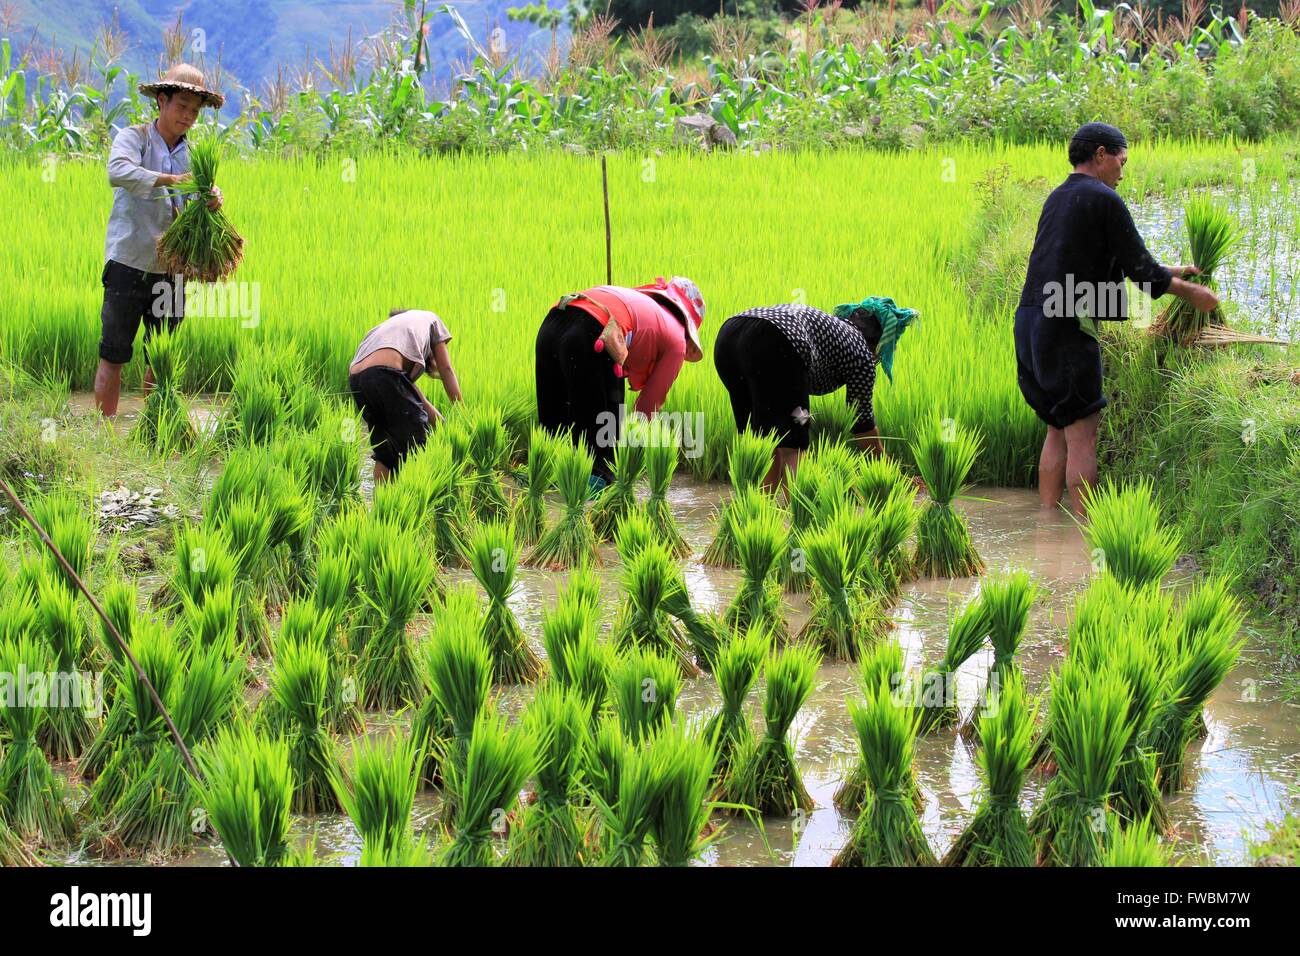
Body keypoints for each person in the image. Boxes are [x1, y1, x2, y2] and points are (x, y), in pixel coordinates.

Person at [1015, 122, 1219, 516]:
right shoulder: (1104, 199)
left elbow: (1121, 261)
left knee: (1057, 428)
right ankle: (1082, 540)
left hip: (1029, 324)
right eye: (1122, 161)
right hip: (1067, 326)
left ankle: (1045, 526)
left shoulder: (1059, 197)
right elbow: (1141, 273)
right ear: (1101, 154)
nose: (1123, 173)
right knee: (1083, 438)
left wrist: (1172, 271)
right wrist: (1193, 293)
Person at [95, 63, 225, 417]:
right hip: (129, 261)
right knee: (114, 352)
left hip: (172, 270)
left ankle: (152, 428)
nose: (188, 117)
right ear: (161, 101)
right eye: (182, 106)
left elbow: (192, 204)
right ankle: (104, 435)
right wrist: (171, 179)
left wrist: (210, 199)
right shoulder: (133, 138)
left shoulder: (193, 155)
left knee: (161, 355)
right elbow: (118, 172)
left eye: (195, 111)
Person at [713, 297, 917, 492]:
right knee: (794, 442)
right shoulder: (861, 351)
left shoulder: (837, 331)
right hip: (776, 339)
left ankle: (758, 511)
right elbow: (861, 423)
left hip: (729, 335)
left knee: (761, 441)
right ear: (879, 342)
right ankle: (798, 515)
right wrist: (891, 476)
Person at [535, 277, 706, 490]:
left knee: (552, 435)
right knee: (602, 448)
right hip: (595, 333)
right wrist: (630, 458)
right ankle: (596, 508)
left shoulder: (638, 302)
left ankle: (543, 497)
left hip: (553, 322)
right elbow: (645, 410)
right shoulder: (677, 342)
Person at [348, 308, 462, 482]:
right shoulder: (432, 320)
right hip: (384, 374)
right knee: (417, 439)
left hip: (357, 379)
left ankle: (381, 507)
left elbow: (420, 401)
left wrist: (447, 429)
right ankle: (415, 499)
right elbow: (446, 369)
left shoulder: (394, 337)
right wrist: (462, 413)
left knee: (385, 450)